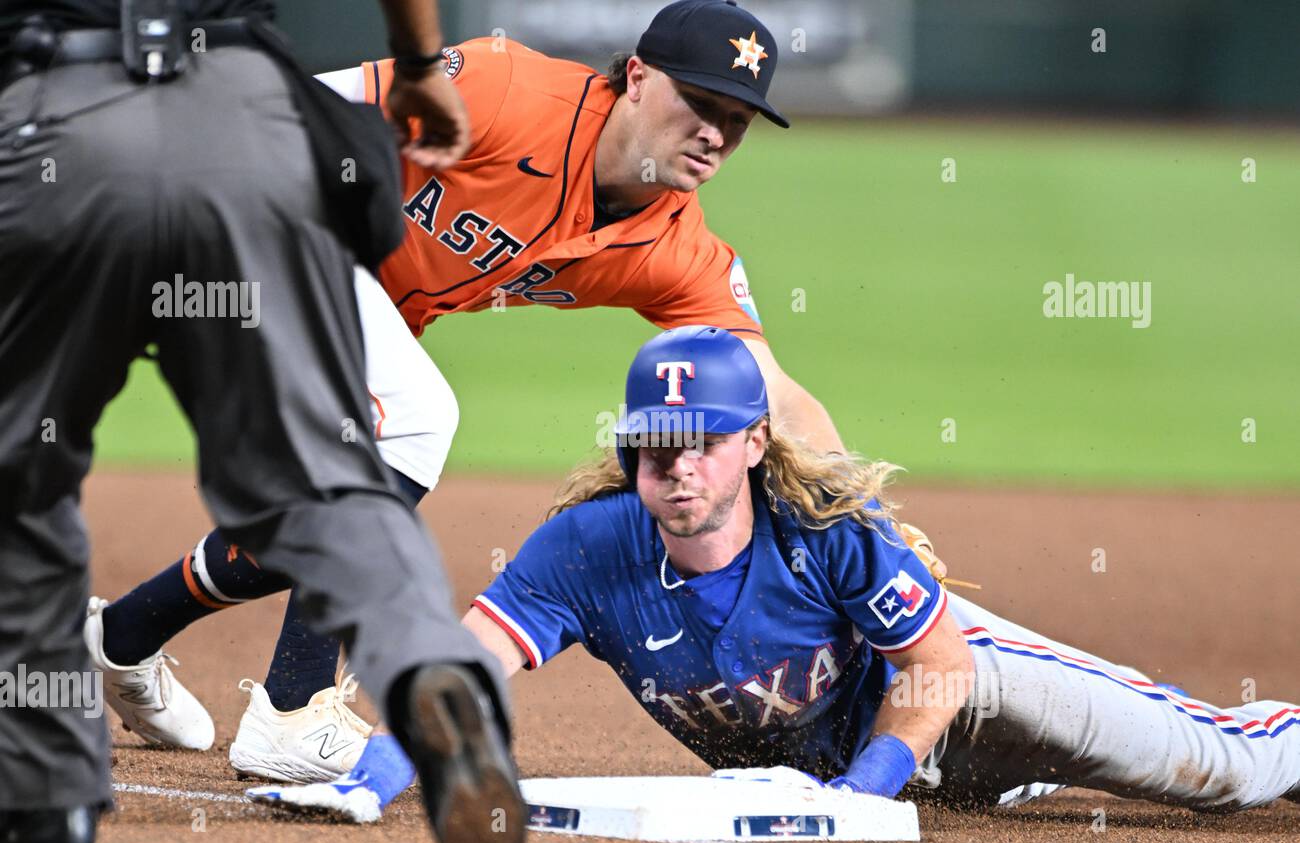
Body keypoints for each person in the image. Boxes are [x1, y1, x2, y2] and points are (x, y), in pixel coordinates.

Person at [88, 0, 859, 787]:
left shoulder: (674, 247)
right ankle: (291, 711)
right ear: (635, 77)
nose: (716, 134)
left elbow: (772, 388)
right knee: (414, 421)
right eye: (699, 102)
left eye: (739, 119)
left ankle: (117, 637)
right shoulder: (511, 89)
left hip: (330, 284)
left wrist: (869, 528)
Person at [251, 326, 1300, 824]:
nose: (677, 466)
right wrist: (374, 775)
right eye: (655, 445)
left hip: (959, 688)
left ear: (753, 442)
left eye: (702, 442)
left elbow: (933, 657)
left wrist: (870, 785)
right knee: (1012, 800)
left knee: (1219, 774)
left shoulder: (824, 527)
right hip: (889, 764)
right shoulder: (585, 548)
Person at [0, 0, 524, 843]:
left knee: (21, 484)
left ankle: (49, 819)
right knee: (325, 467)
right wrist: (419, 62)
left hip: (52, 120)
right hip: (240, 115)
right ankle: (425, 665)